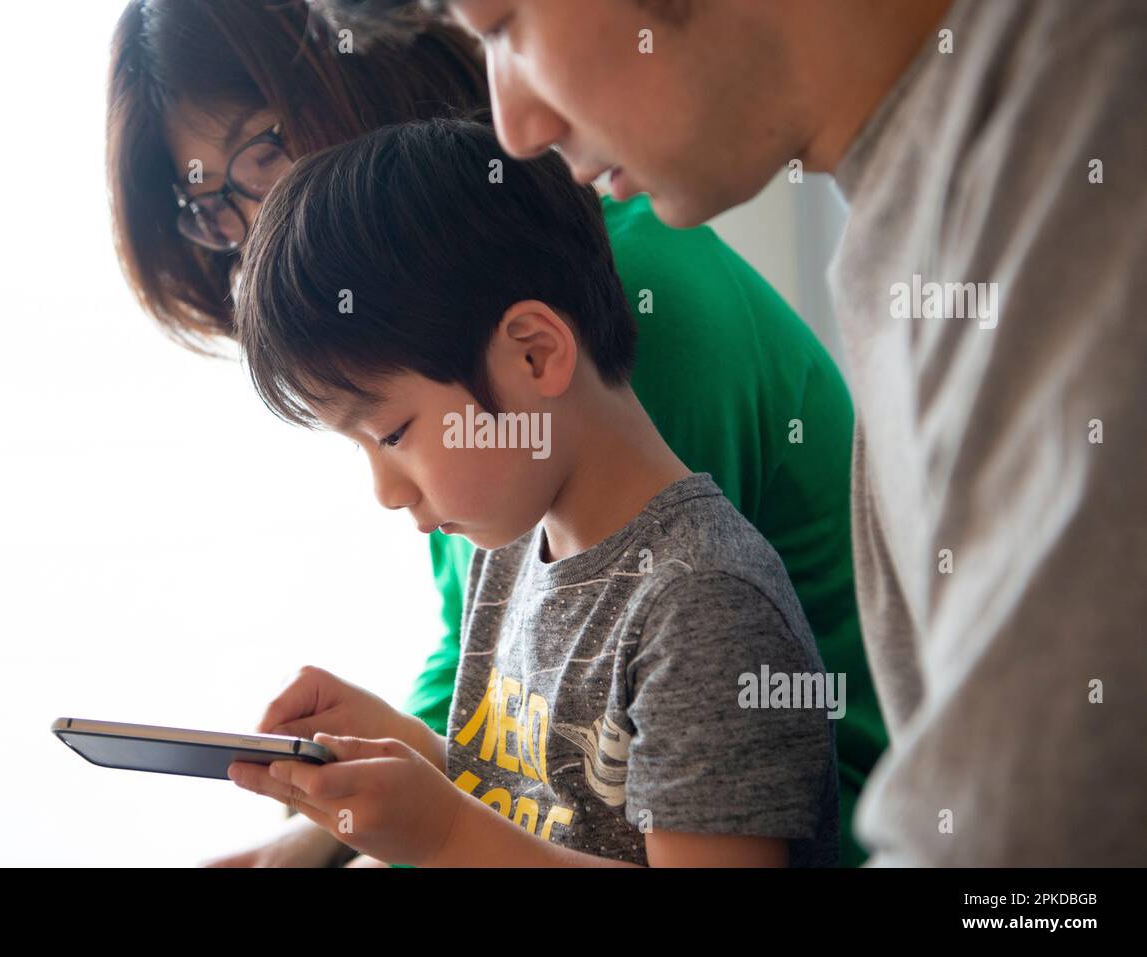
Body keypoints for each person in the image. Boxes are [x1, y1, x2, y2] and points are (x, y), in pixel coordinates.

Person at [316, 0, 1147, 865]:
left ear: (536, 355)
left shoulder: (1086, 145)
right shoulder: (905, 221)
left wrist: (449, 831)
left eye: (504, 26)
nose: (516, 128)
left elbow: (1041, 877)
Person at [105, 0, 884, 866]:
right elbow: (552, 776)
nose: (250, 223)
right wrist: (381, 782)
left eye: (258, 150)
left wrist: (434, 831)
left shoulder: (687, 573)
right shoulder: (520, 510)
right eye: (203, 201)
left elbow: (643, 801)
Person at [223, 116, 840, 866]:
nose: (385, 490)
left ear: (535, 353)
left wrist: (445, 832)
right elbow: (551, 808)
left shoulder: (703, 602)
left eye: (391, 434)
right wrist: (408, 751)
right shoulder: (516, 550)